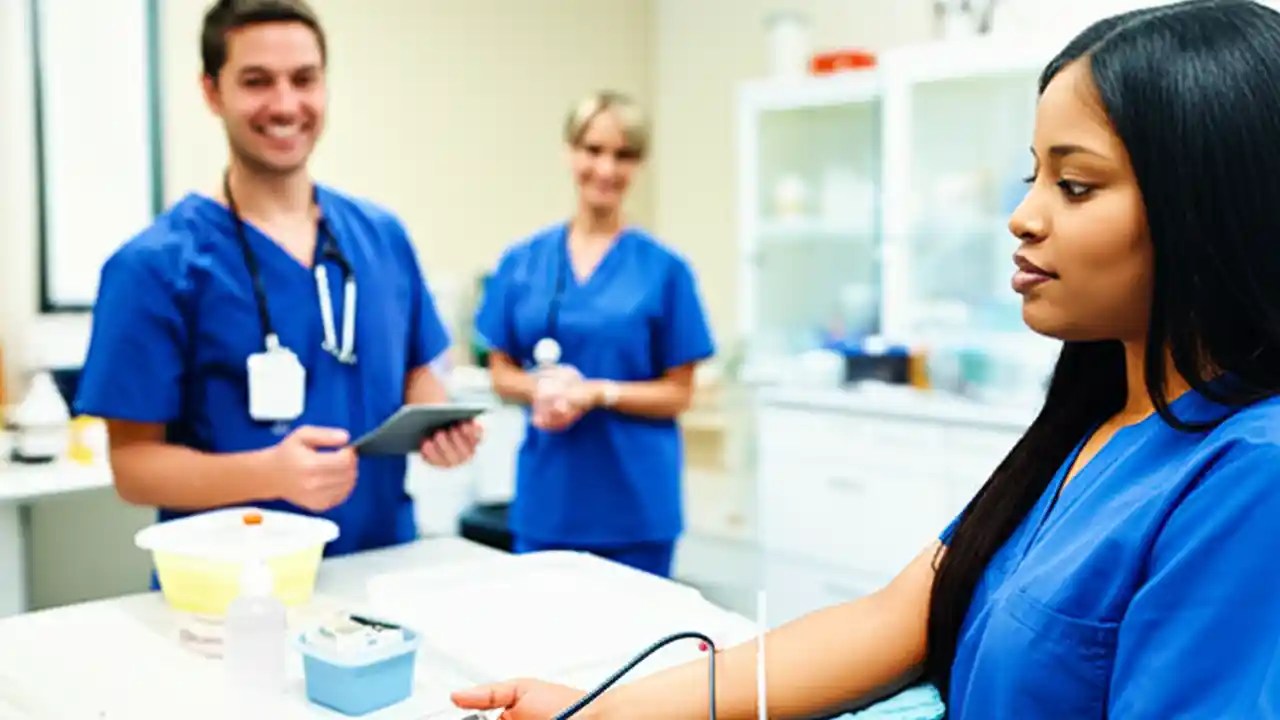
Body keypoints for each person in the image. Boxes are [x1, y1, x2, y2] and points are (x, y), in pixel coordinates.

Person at [451, 1, 1280, 717]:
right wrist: (601, 710)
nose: (1022, 217)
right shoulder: (1093, 428)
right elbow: (896, 619)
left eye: (1074, 185)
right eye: (1034, 176)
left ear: (1207, 203)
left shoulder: (1249, 476)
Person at [75, 0, 481, 559]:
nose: (286, 104)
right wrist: (269, 474)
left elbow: (418, 371)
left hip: (382, 568)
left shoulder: (382, 237)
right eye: (257, 82)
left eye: (304, 79)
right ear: (212, 92)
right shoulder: (154, 267)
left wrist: (438, 427)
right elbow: (134, 468)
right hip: (230, 584)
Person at [472, 91, 715, 578]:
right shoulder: (523, 262)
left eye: (623, 155)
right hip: (549, 503)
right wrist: (544, 389)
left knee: (641, 628)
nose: (606, 168)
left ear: (639, 165)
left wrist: (598, 393)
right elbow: (500, 373)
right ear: (570, 152)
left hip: (636, 508)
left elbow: (679, 393)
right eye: (593, 150)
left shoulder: (665, 270)